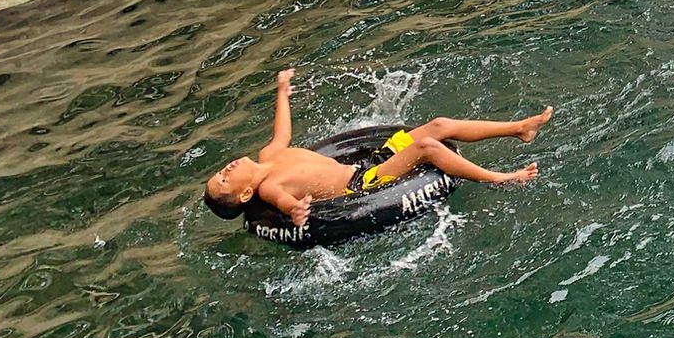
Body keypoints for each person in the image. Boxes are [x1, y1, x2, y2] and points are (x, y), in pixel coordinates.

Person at [202, 68, 547, 228]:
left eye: (219, 172)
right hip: (365, 183)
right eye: (223, 180)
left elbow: (282, 133)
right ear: (246, 194)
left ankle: (519, 129)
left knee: (439, 125)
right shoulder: (270, 186)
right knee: (427, 146)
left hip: (369, 162)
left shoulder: (268, 156)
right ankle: (499, 178)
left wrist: (281, 93)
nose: (225, 169)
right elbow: (286, 203)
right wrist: (296, 212)